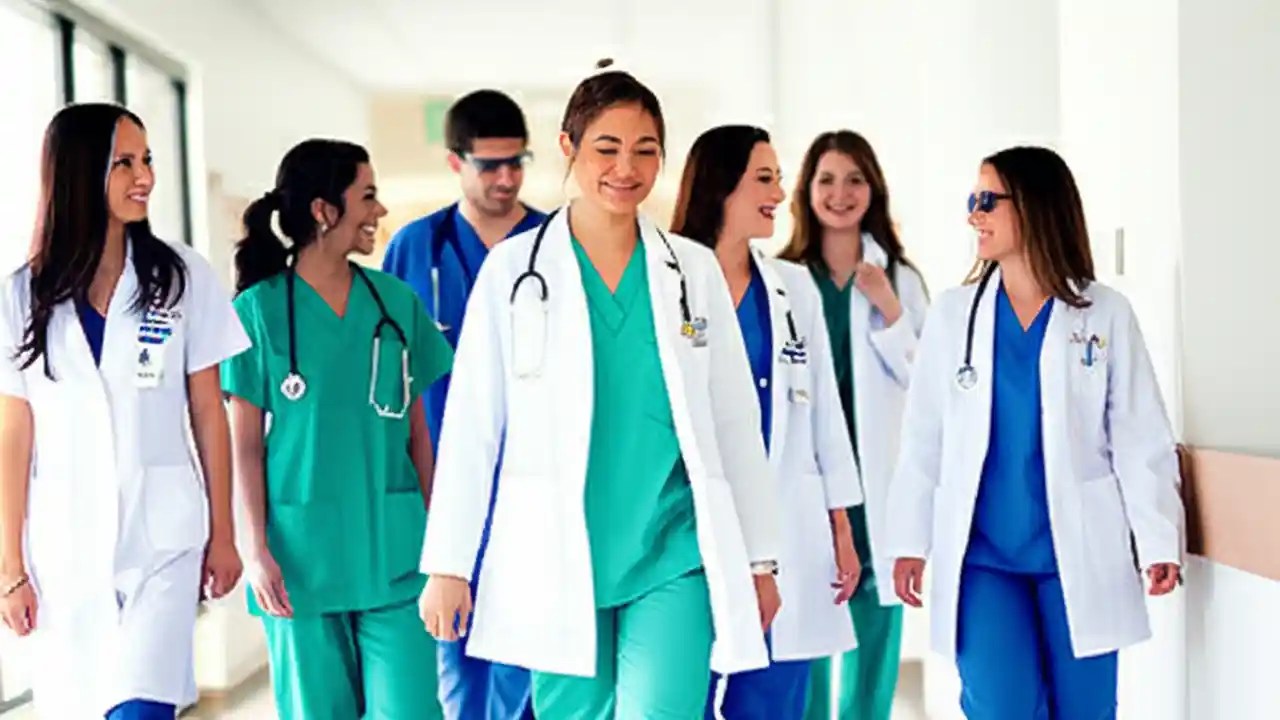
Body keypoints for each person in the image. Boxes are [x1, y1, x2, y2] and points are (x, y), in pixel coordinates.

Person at [418, 62, 783, 719]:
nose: (626, 168)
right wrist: (449, 564)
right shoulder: (513, 272)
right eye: (606, 148)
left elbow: (735, 425)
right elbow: (474, 427)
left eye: (645, 150)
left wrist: (760, 562)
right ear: (569, 147)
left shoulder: (690, 270)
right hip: (560, 554)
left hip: (672, 553)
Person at [886, 146, 1184, 719]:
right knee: (1003, 707)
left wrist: (1157, 539)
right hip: (983, 559)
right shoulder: (953, 315)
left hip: (1077, 552)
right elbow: (925, 438)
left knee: (1084, 711)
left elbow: (1139, 435)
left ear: (1034, 206)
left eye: (987, 200)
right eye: (972, 200)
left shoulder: (1104, 313)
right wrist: (908, 540)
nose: (974, 214)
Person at [0, 103, 247, 719]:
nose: (145, 177)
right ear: (81, 172)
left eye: (147, 160)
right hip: (63, 545)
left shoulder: (181, 276)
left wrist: (224, 532)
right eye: (125, 163)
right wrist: (10, 566)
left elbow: (208, 413)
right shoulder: (21, 295)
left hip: (162, 537)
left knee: (141, 709)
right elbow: (13, 434)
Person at [221, 139, 454, 719]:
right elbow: (243, 449)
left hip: (394, 550)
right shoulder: (257, 312)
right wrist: (254, 549)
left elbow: (419, 435)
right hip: (300, 559)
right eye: (367, 196)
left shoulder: (395, 302)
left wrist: (443, 539)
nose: (379, 210)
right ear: (324, 210)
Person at [671, 125, 864, 720]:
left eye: (778, 179)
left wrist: (840, 527)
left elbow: (823, 414)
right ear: (720, 185)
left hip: (785, 529)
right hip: (691, 528)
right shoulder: (667, 280)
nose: (780, 194)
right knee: (682, 694)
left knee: (773, 702)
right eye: (764, 179)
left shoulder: (792, 287)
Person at [381, 89, 543, 719]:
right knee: (456, 661)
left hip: (535, 486)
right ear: (455, 162)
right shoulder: (415, 248)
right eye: (489, 165)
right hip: (445, 486)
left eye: (516, 162)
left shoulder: (553, 244)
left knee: (531, 663)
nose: (506, 179)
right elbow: (389, 376)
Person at [779, 130, 930, 720]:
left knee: (874, 635)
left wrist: (888, 305)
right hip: (809, 474)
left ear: (874, 190)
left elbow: (927, 383)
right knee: (806, 630)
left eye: (854, 180)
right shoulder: (784, 276)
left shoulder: (900, 279)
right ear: (806, 190)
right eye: (827, 180)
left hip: (876, 480)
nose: (840, 194)